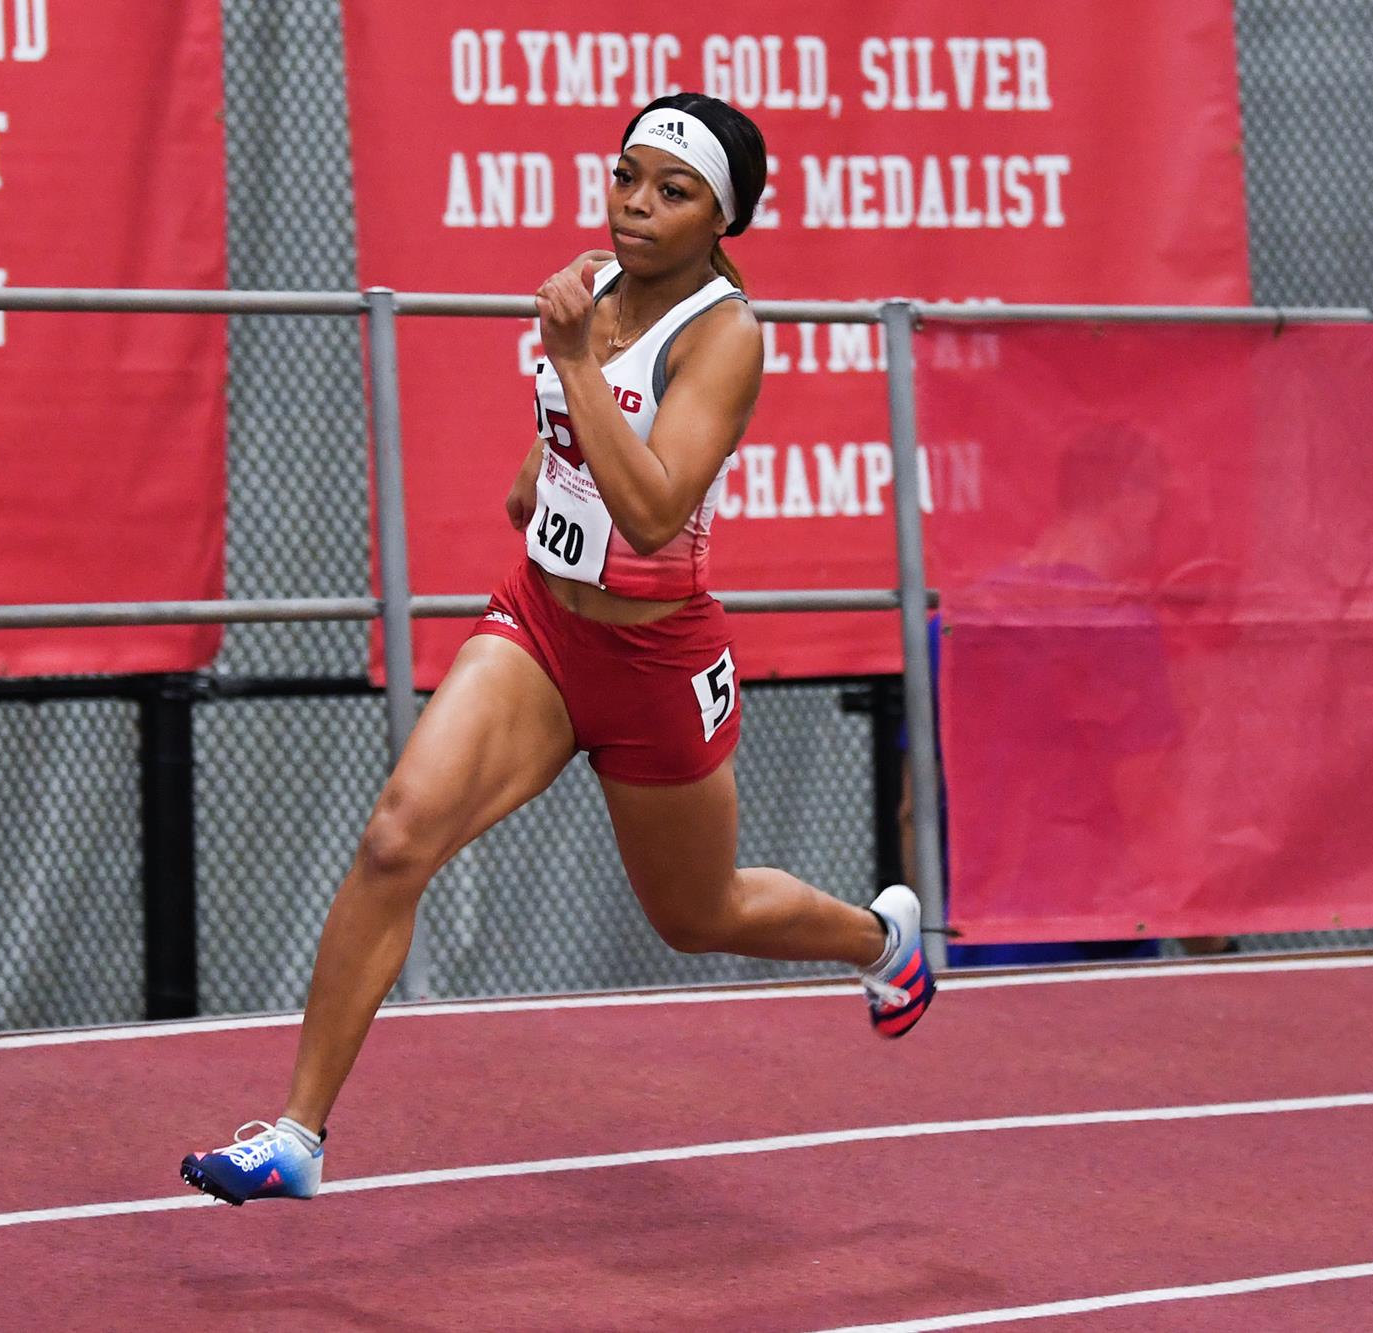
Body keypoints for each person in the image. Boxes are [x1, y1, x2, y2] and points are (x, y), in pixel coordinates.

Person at [179, 94, 934, 1207]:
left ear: (721, 221)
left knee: (696, 914)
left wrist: (573, 363)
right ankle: (295, 1134)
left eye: (671, 193)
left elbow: (653, 509)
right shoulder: (597, 286)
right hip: (538, 626)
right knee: (396, 840)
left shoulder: (726, 335)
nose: (634, 205)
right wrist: (540, 472)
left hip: (653, 659)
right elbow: (570, 448)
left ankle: (879, 939)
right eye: (625, 174)